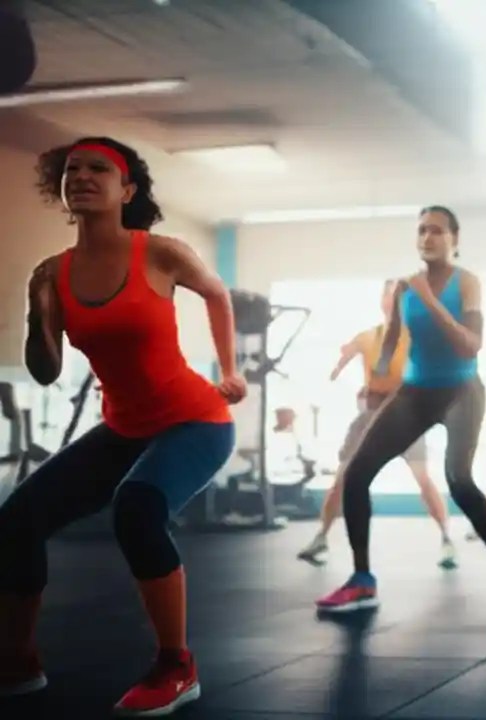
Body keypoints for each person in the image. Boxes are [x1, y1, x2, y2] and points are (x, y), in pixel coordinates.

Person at [0, 137, 245, 717]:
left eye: (99, 169)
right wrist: (38, 313)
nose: (81, 176)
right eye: (72, 169)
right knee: (17, 519)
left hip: (195, 421)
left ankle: (176, 666)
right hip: (124, 427)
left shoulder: (160, 253)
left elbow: (217, 294)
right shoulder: (52, 272)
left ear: (126, 190)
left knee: (136, 507)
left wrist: (230, 372)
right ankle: (17, 659)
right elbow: (46, 369)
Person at [314, 206, 486, 618]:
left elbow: (470, 345)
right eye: (421, 231)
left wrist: (429, 298)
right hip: (415, 392)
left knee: (459, 480)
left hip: (461, 391)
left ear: (454, 239)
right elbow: (394, 340)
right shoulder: (402, 288)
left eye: (436, 230)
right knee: (356, 474)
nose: (427, 237)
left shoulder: (467, 283)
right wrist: (375, 377)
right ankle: (362, 581)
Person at [298, 280, 456, 569]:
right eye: (390, 294)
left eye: (400, 295)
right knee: (342, 478)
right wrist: (341, 369)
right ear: (382, 300)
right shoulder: (367, 337)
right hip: (370, 415)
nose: (394, 300)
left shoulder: (415, 338)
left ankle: (447, 539)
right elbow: (339, 366)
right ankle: (321, 537)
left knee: (423, 480)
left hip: (405, 416)